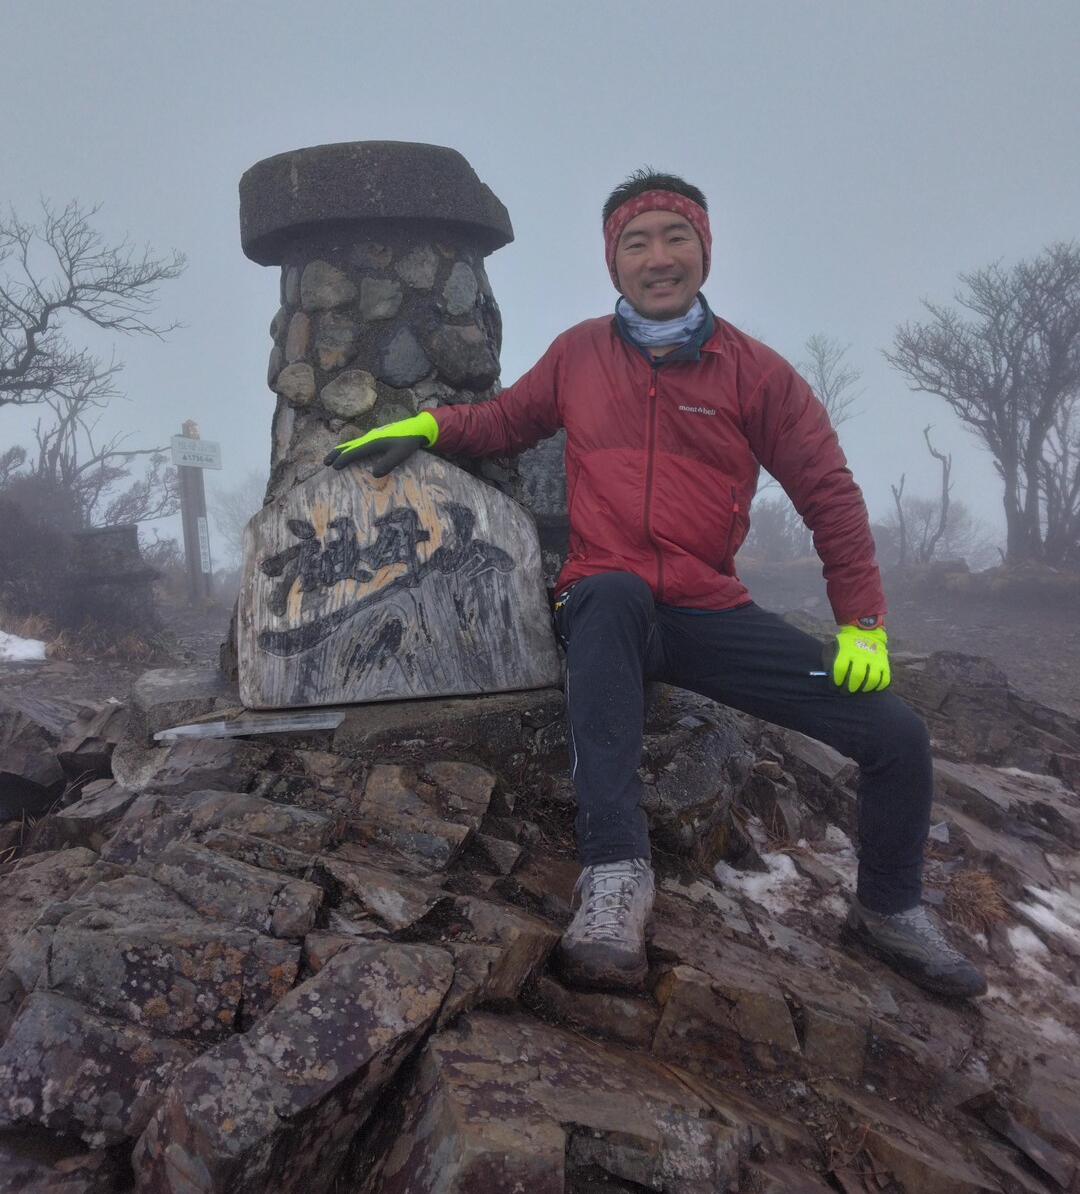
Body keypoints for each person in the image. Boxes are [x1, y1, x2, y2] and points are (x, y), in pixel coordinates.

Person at [325, 169, 987, 1001]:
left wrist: (863, 622)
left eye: (676, 237)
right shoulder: (578, 354)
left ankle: (889, 910)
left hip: (710, 610)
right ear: (614, 262)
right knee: (610, 593)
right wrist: (427, 425)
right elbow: (505, 419)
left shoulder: (758, 374)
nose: (659, 256)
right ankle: (614, 879)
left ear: (704, 251)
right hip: (606, 602)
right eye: (637, 242)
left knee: (896, 735)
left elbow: (829, 495)